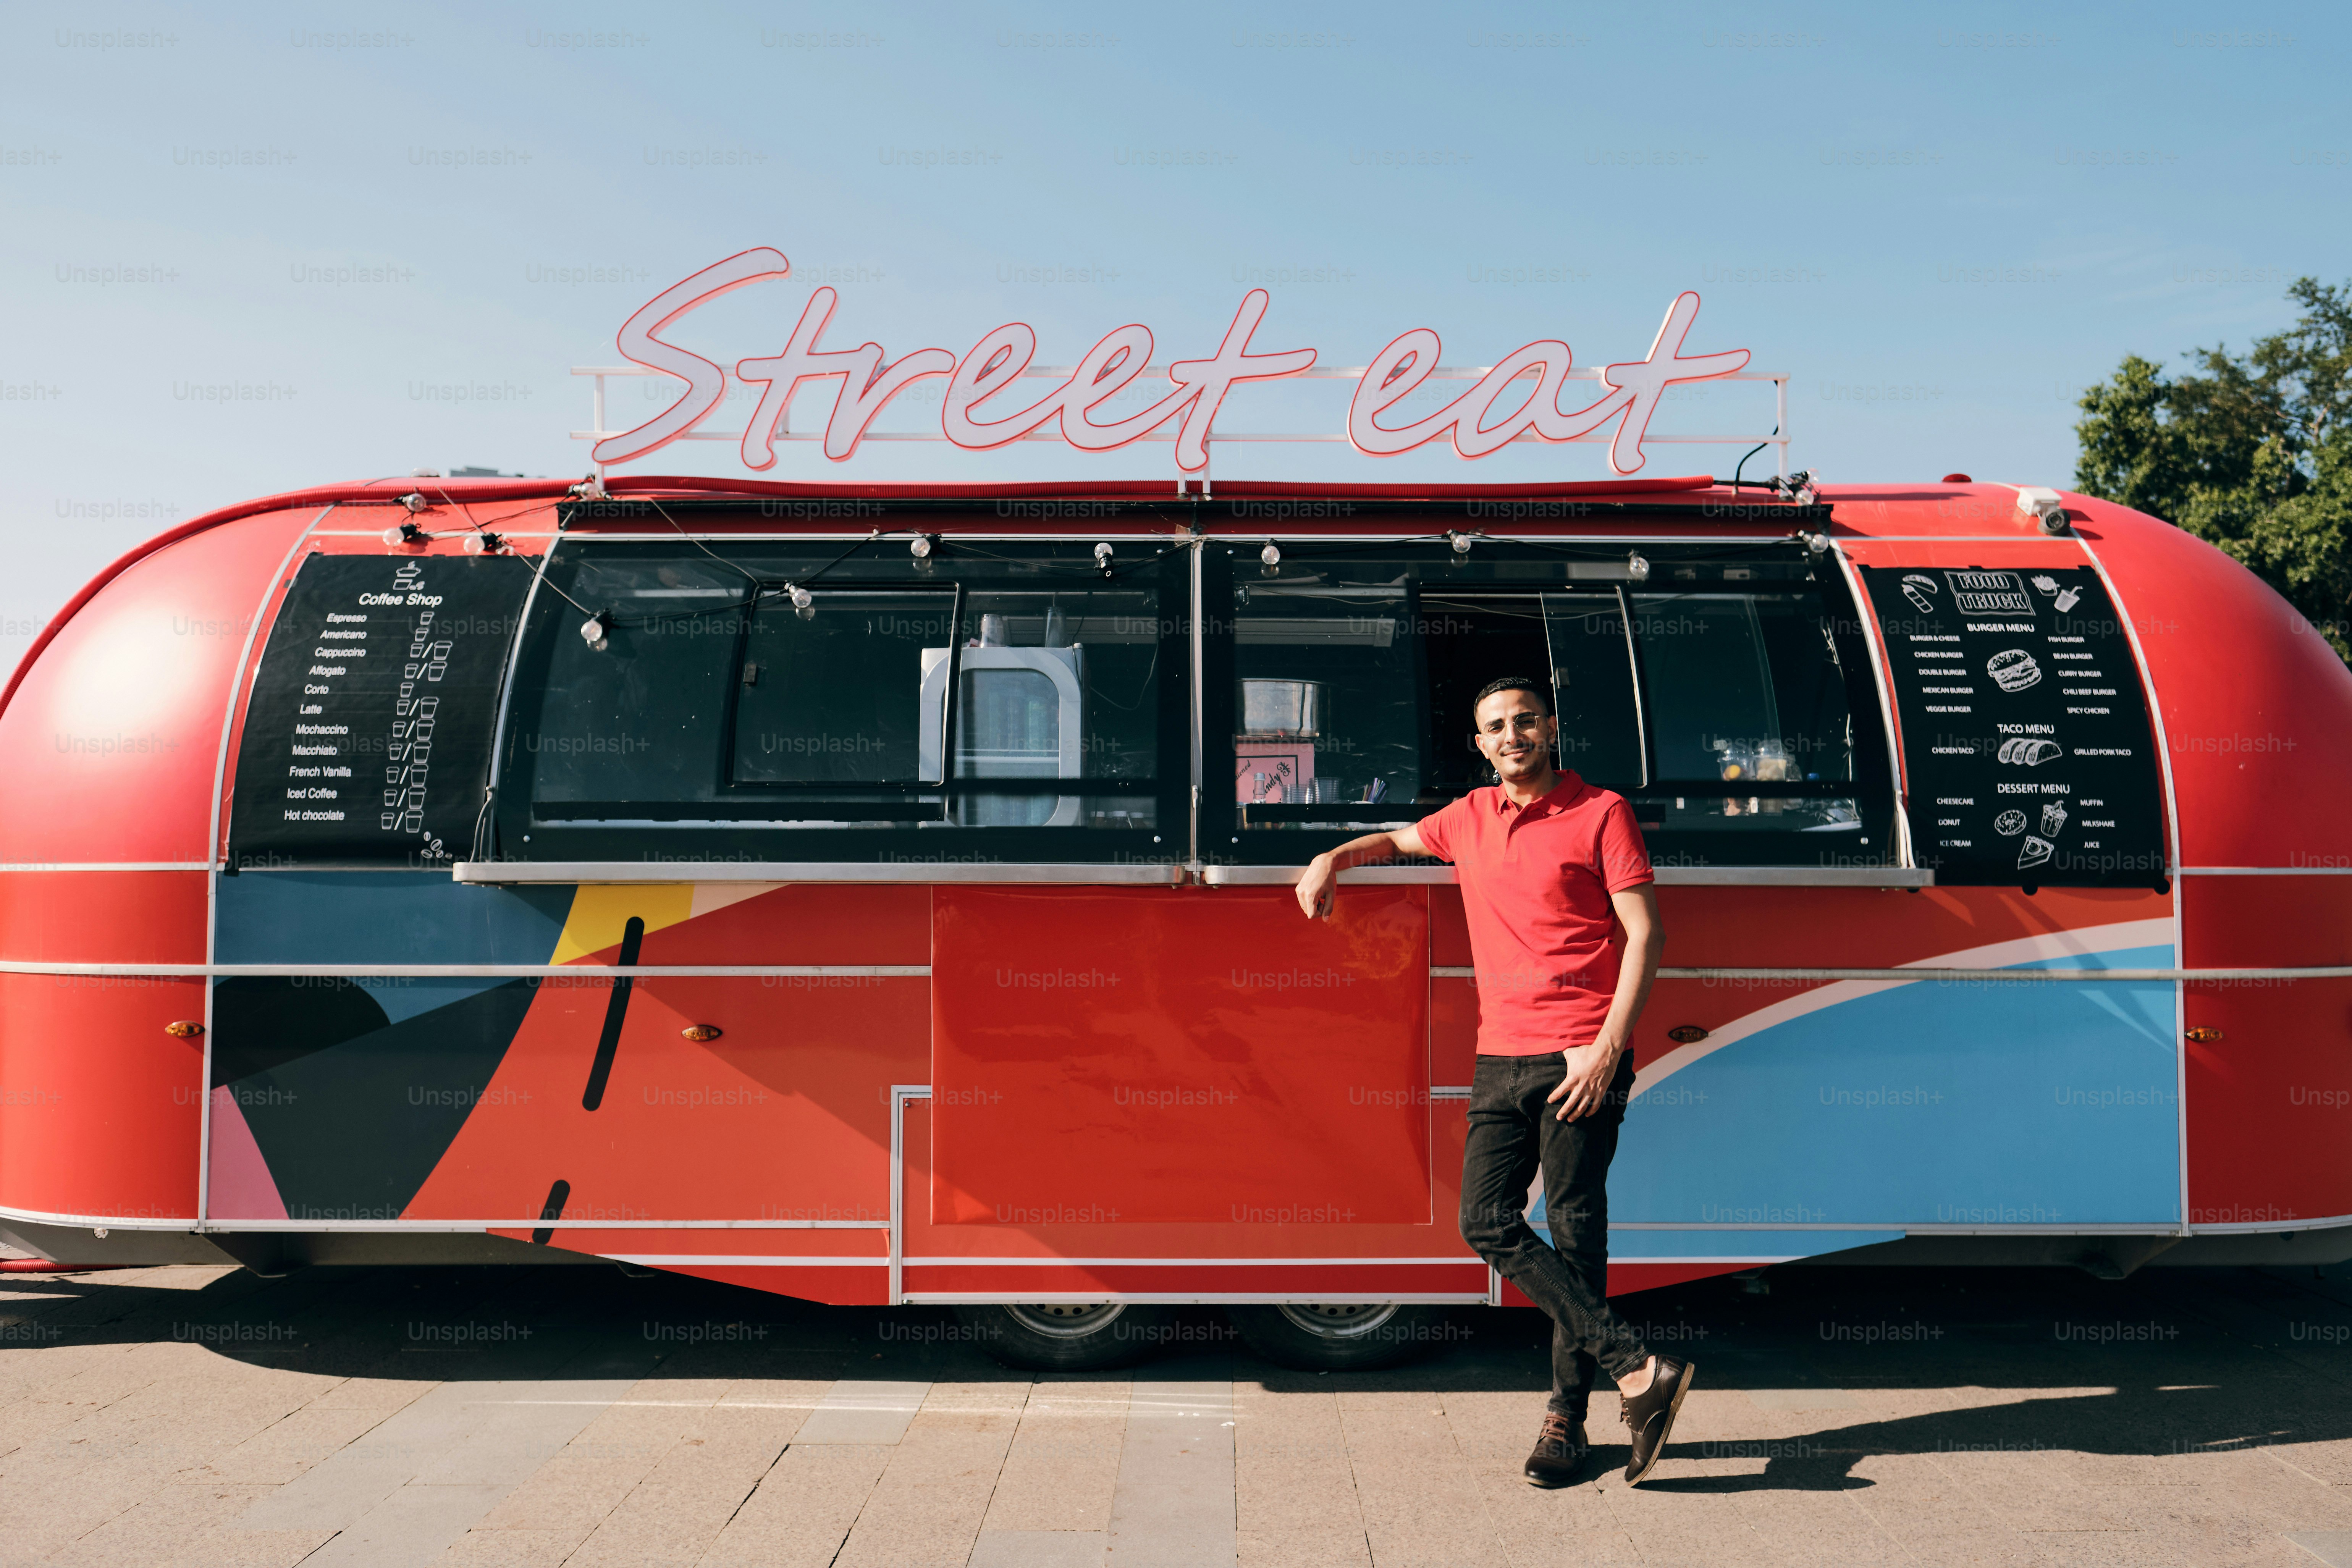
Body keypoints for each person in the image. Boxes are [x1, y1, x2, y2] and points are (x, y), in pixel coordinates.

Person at [1295, 676, 1692, 1487]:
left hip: (1581, 1055)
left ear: (1548, 728)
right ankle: (1638, 1370)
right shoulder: (1468, 817)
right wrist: (1330, 857)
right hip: (1499, 1053)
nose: (1510, 735)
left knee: (1576, 1235)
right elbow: (1400, 839)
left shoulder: (1600, 811)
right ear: (1479, 744)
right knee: (1483, 1218)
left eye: (1523, 721)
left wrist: (1609, 1047)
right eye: (1493, 727)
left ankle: (1566, 1420)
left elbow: (1644, 934)